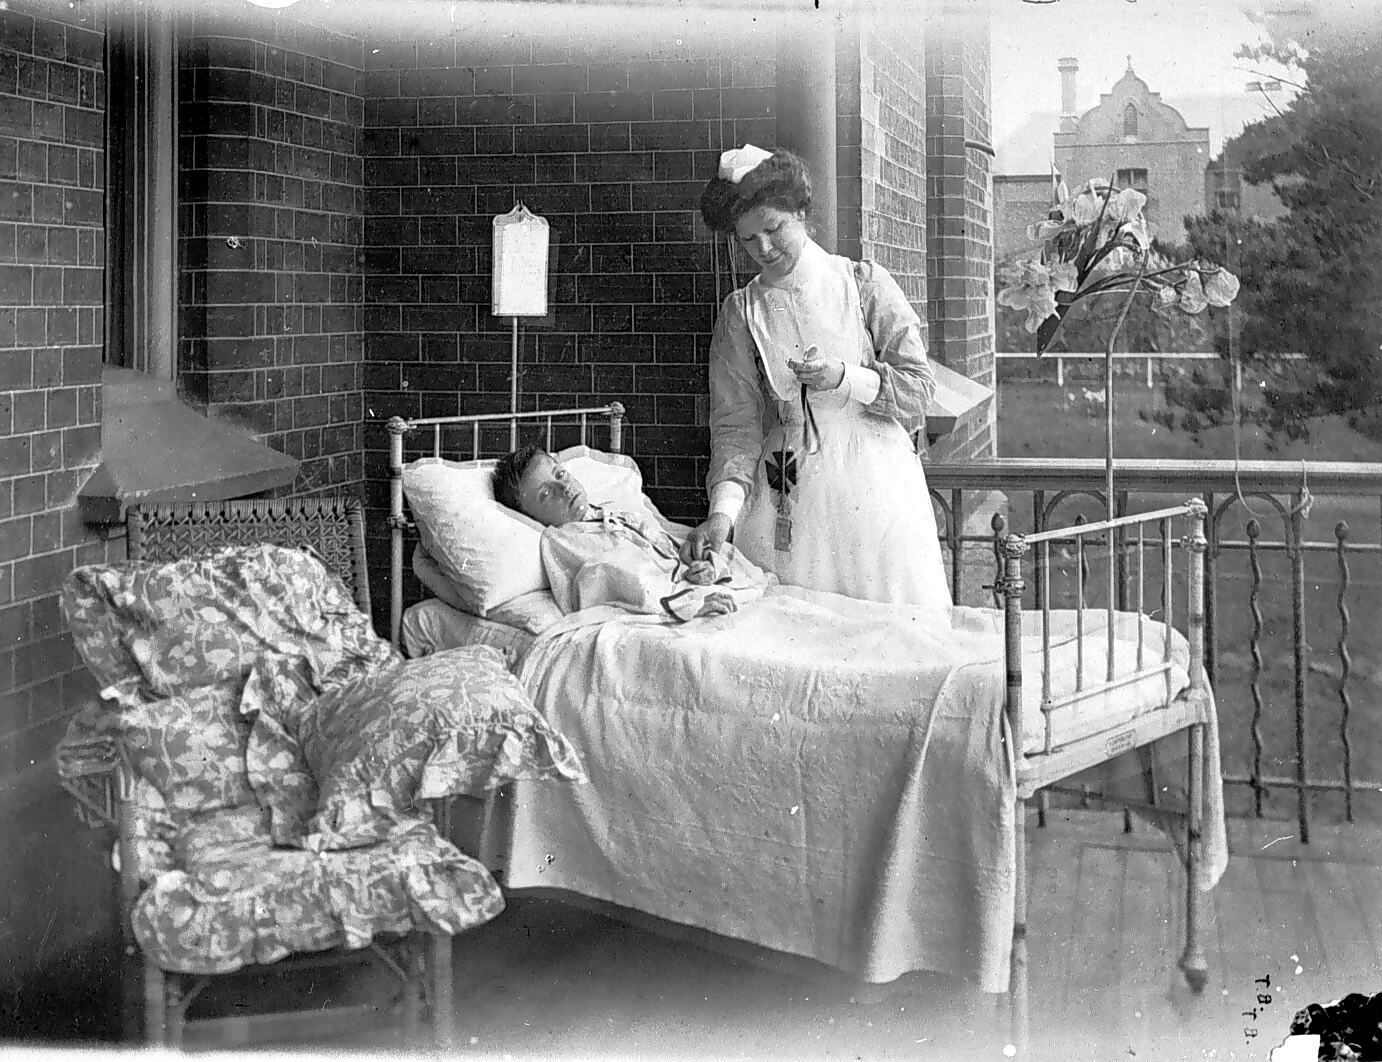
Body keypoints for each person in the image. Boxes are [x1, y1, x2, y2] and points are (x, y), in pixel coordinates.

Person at [681, 144, 952, 610]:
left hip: (874, 486)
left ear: (802, 214)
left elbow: (919, 389)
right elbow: (735, 425)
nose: (763, 248)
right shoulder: (741, 313)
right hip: (786, 489)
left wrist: (846, 379)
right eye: (747, 239)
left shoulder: (862, 284)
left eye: (773, 228)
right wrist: (723, 516)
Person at [492, 445, 770, 622]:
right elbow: (617, 579)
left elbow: (661, 546)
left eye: (560, 475)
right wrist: (691, 603)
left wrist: (695, 567)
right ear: (532, 518)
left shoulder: (606, 513)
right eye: (546, 494)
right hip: (670, 605)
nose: (563, 488)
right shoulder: (563, 540)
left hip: (681, 588)